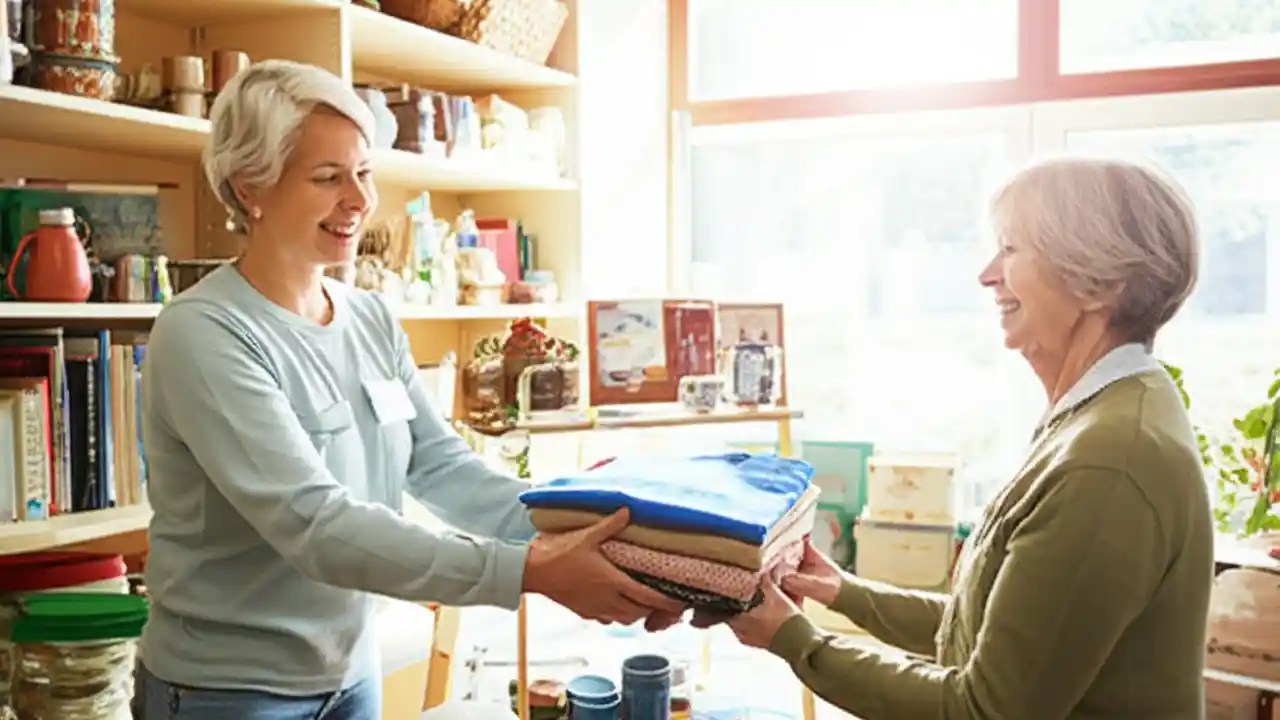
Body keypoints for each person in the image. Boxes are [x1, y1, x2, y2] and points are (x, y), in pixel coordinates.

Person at [135, 59, 680, 719]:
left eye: (363, 172)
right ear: (251, 186)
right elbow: (318, 527)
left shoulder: (367, 316)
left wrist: (597, 521)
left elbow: (440, 466)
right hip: (226, 693)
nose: (361, 201)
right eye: (329, 177)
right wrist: (530, 570)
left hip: (349, 676)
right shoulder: (204, 334)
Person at [724, 157, 1213, 719]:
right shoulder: (1099, 419)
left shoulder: (1110, 461)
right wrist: (842, 592)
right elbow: (988, 632)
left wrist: (793, 639)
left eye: (1011, 248)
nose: (986, 275)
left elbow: (984, 709)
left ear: (1099, 282)